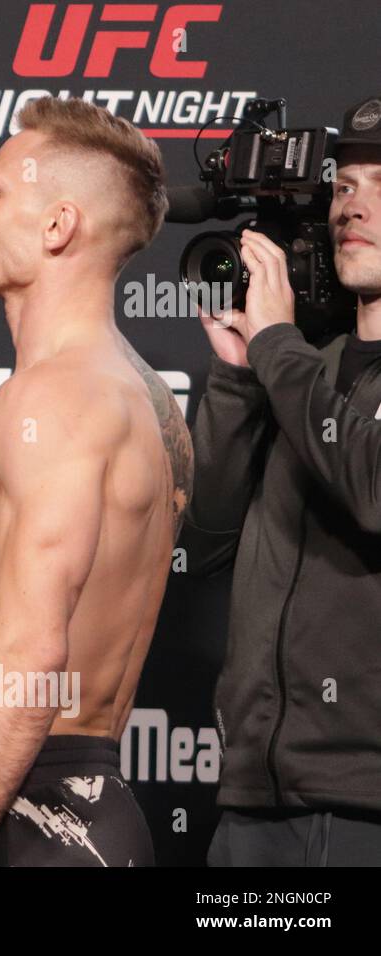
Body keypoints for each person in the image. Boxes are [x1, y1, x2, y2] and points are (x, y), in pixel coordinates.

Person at [0, 96, 190, 867]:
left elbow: (31, 659)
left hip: (19, 815)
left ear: (57, 226)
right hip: (86, 810)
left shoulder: (53, 398)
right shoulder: (147, 397)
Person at [184, 94, 381, 866]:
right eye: (346, 181)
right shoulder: (306, 368)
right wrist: (238, 380)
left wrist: (274, 342)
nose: (352, 202)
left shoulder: (292, 362)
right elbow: (201, 540)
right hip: (252, 805)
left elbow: (372, 488)